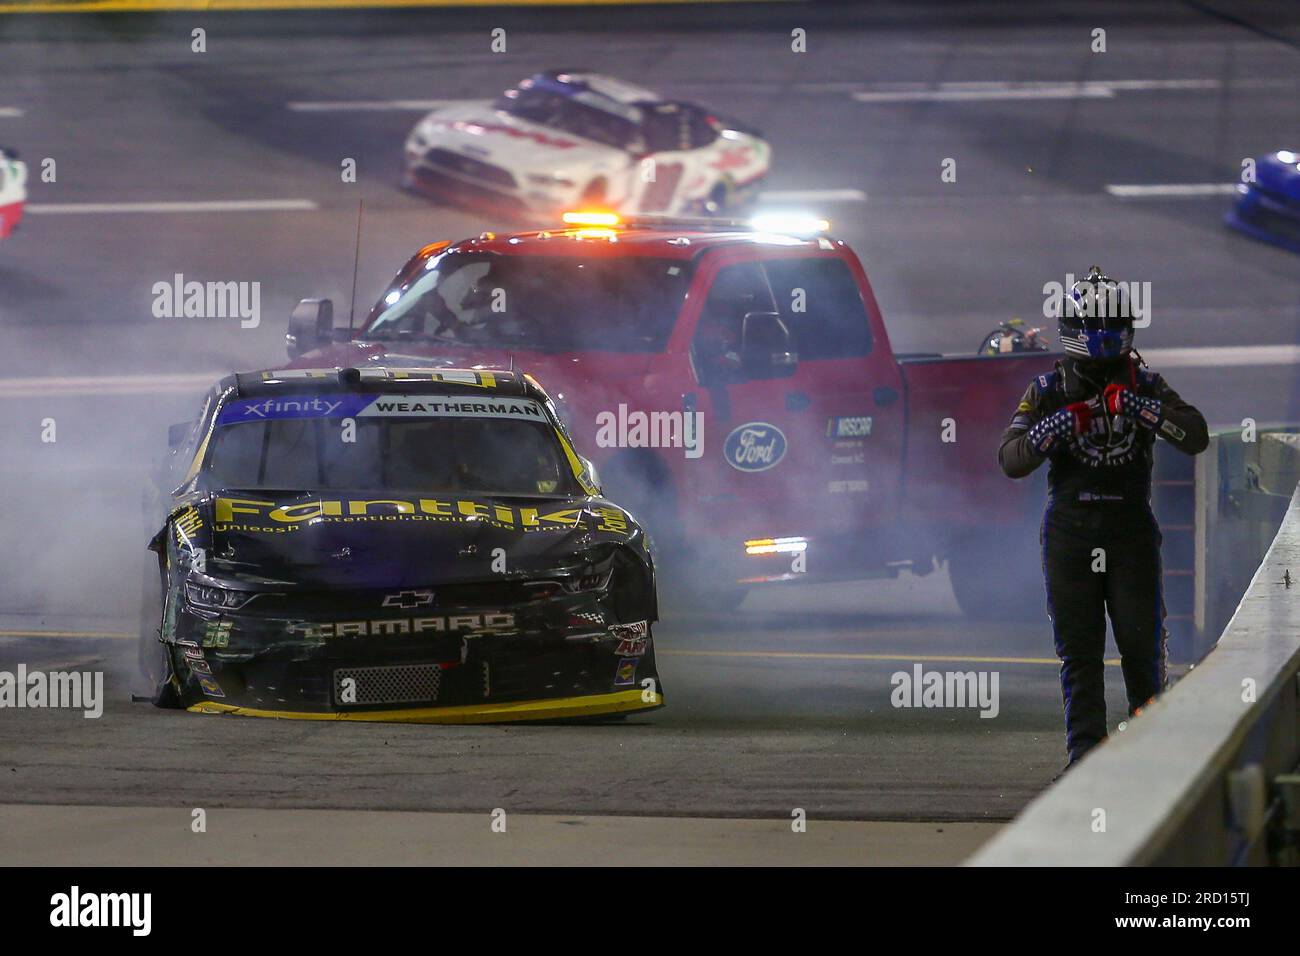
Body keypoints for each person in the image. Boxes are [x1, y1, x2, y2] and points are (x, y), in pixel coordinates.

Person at [998, 266, 1209, 767]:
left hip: (1129, 530)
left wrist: (1140, 409)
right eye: (1093, 324)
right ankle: (1084, 762)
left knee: (1141, 651)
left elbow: (1196, 434)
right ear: (1072, 327)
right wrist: (1061, 425)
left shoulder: (1146, 383)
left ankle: (1147, 760)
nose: (1103, 334)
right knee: (1080, 655)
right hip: (1070, 532)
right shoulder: (1047, 389)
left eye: (1112, 323)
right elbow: (1010, 459)